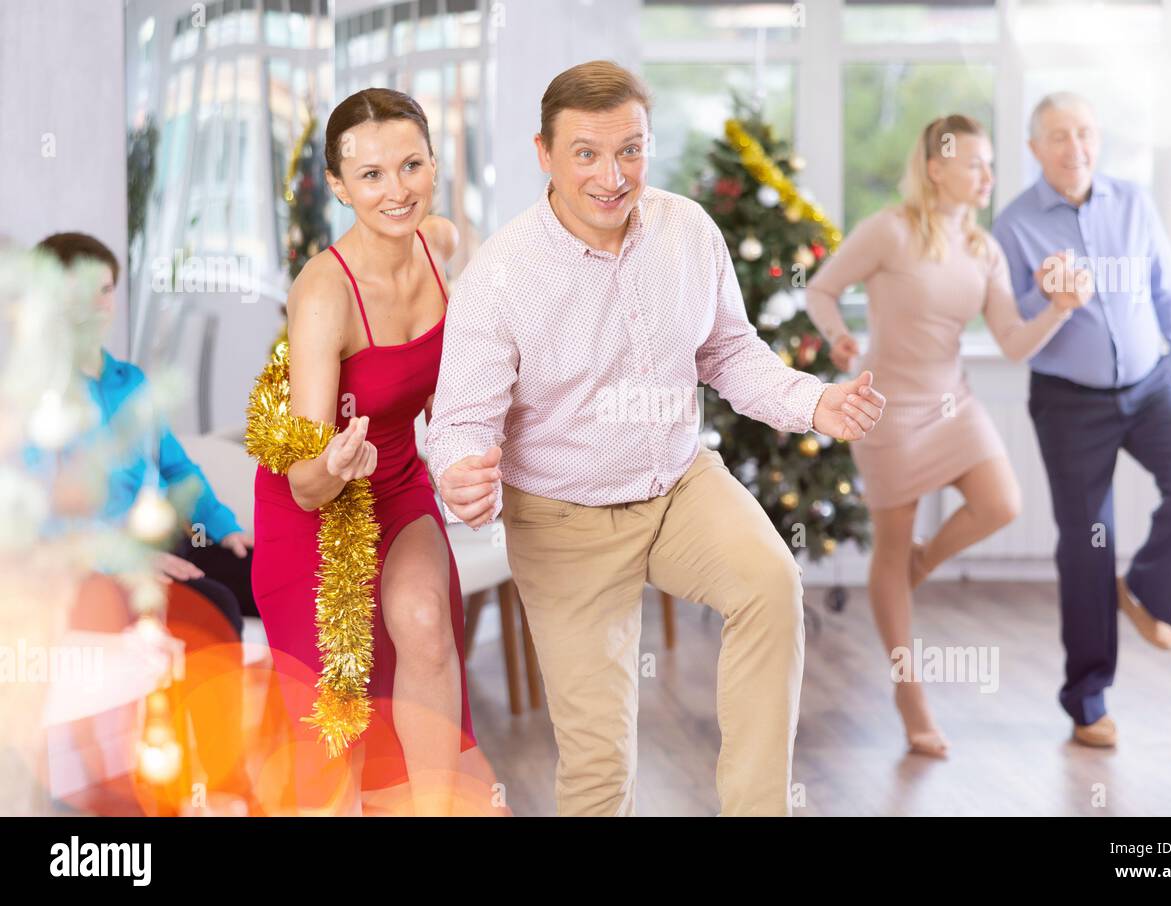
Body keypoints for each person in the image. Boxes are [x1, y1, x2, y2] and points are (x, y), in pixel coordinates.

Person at [425, 60, 885, 817]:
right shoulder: (500, 277)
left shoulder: (686, 229)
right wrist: (461, 470)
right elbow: (462, 421)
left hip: (678, 485)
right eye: (587, 154)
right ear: (544, 153)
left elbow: (728, 351)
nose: (612, 176)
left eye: (630, 150)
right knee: (599, 762)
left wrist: (814, 402)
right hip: (562, 518)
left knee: (770, 585)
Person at [805, 115, 1081, 757]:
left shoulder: (984, 249)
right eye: (975, 164)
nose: (988, 176)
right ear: (936, 168)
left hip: (953, 403)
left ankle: (922, 565)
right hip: (890, 411)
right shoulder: (889, 231)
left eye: (990, 165)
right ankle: (911, 697)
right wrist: (837, 337)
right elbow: (822, 289)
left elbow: (1013, 343)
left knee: (1002, 502)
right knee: (889, 547)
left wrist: (1059, 312)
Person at [250, 88, 478, 815]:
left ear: (434, 166)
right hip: (314, 498)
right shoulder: (323, 293)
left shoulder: (441, 245)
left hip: (400, 481)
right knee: (332, 717)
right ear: (341, 187)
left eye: (411, 165)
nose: (396, 189)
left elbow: (450, 391)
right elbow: (307, 479)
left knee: (424, 627)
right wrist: (334, 468)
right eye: (372, 175)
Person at [991, 92, 1171, 747]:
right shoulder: (1012, 227)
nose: (1075, 148)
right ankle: (1087, 700)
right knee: (1089, 543)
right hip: (1069, 401)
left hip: (1150, 385)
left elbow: (1166, 289)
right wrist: (1050, 295)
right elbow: (1014, 331)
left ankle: (1146, 590)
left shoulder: (1135, 202)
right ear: (1035, 149)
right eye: (1059, 136)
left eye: (1085, 133)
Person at [33, 230, 258, 809]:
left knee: (269, 576)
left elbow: (180, 468)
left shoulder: (130, 383)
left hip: (163, 544)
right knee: (215, 608)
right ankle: (220, 788)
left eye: (105, 289)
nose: (97, 305)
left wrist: (224, 525)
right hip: (89, 571)